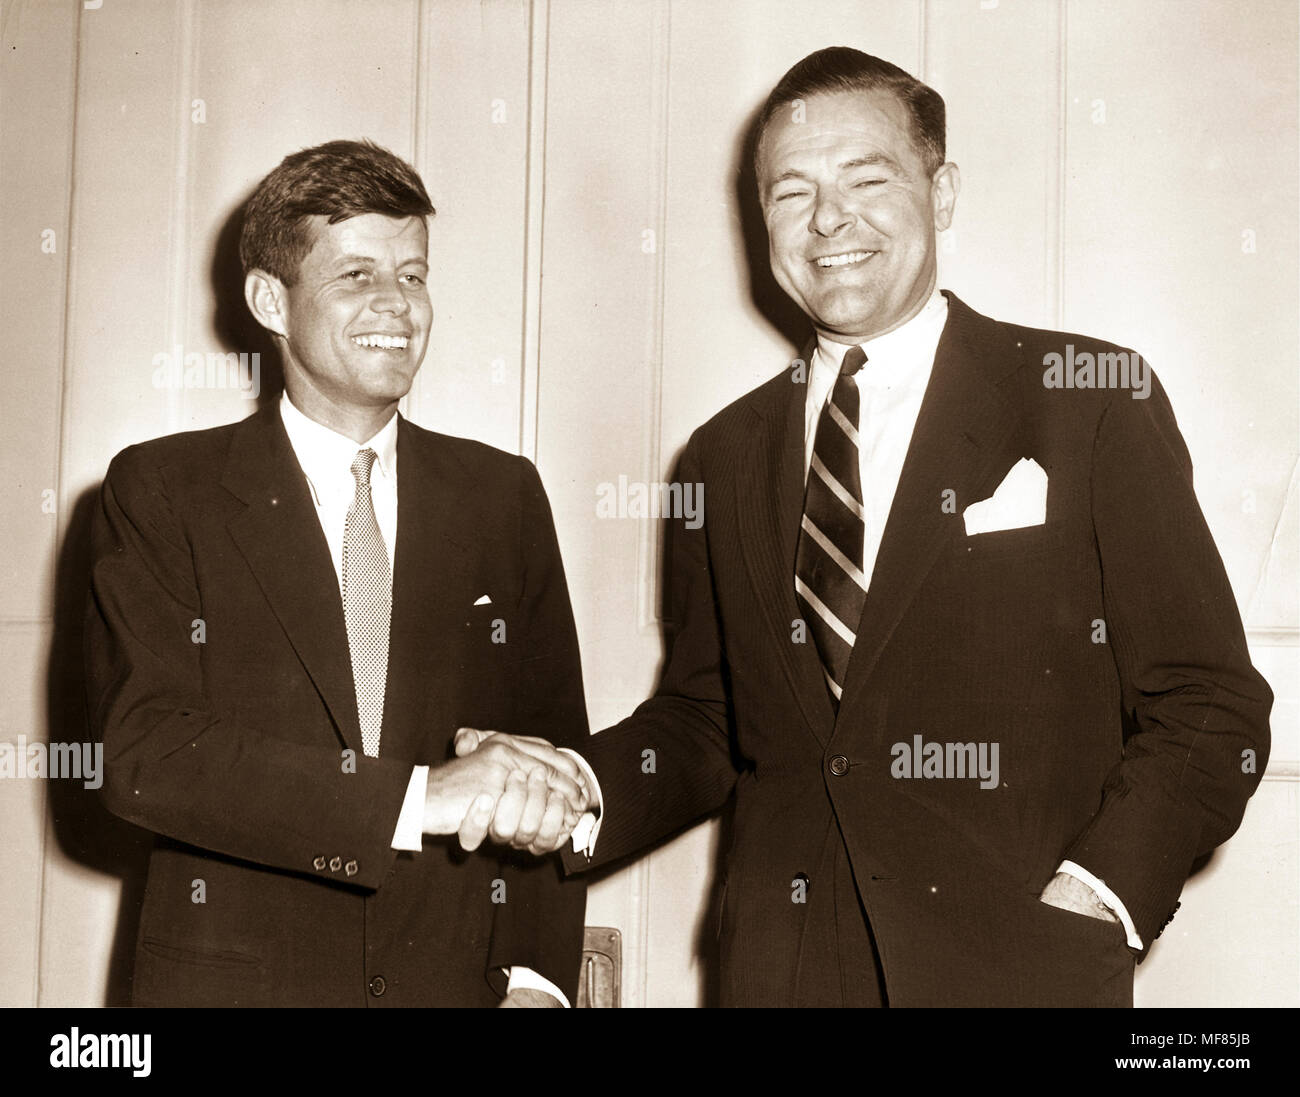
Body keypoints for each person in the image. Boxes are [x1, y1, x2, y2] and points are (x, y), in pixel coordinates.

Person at [460, 48, 1274, 1007]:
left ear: (943, 190)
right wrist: (577, 781)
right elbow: (709, 719)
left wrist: (1097, 899)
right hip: (781, 971)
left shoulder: (1088, 399)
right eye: (790, 192)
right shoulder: (720, 454)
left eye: (867, 179)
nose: (827, 219)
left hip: (1021, 970)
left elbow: (1211, 706)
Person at [85, 139, 591, 1007]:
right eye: (356, 274)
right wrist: (418, 798)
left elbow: (549, 753)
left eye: (414, 274)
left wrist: (538, 979)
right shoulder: (163, 489)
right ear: (267, 300)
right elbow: (146, 755)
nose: (397, 304)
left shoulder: (502, 495)